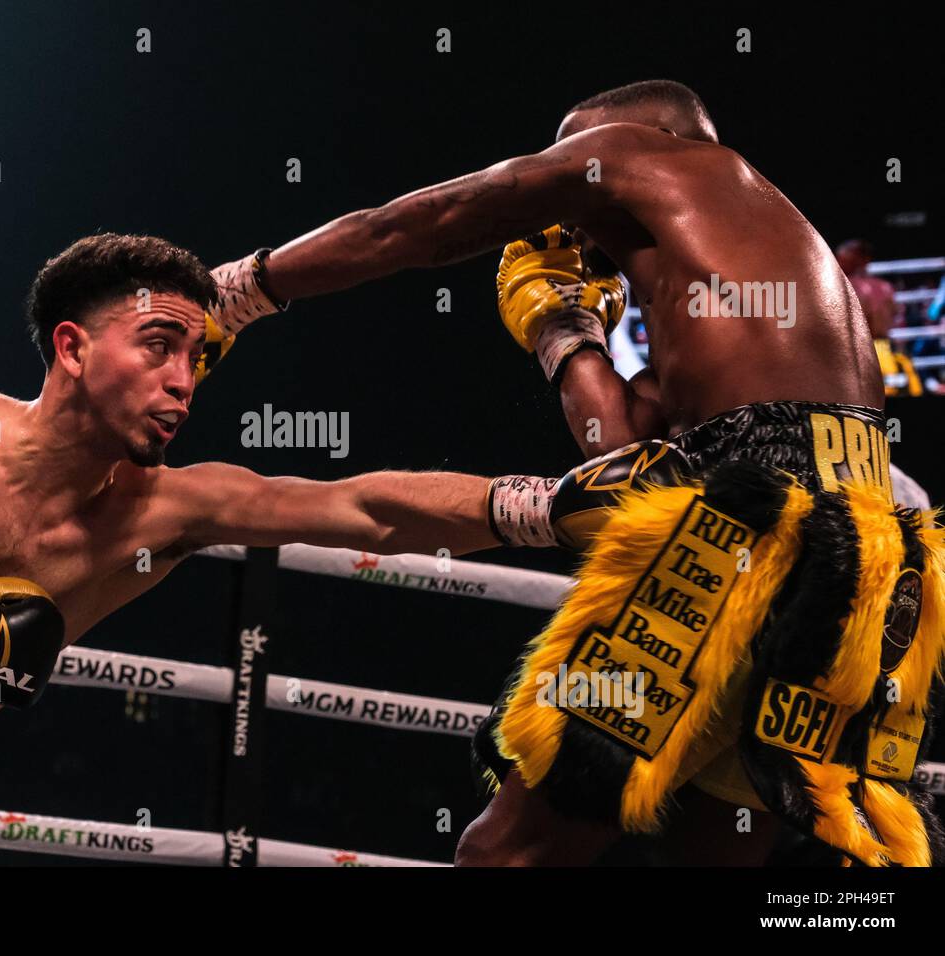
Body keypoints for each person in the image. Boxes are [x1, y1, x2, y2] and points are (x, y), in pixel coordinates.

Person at [208, 80, 945, 866]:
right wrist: (562, 324)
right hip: (865, 565)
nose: (560, 184)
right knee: (713, 850)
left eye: (566, 154)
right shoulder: (743, 281)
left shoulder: (649, 155)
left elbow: (425, 223)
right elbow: (622, 457)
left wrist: (245, 288)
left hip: (752, 528)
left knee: (505, 853)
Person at [0, 232, 528, 866]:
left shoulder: (170, 508)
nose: (185, 381)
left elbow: (365, 507)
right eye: (159, 348)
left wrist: (542, 506)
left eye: (195, 355)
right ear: (72, 348)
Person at [837, 239, 921, 397]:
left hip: (857, 353)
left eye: (840, 258)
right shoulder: (885, 287)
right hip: (886, 350)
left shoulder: (844, 287)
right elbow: (894, 314)